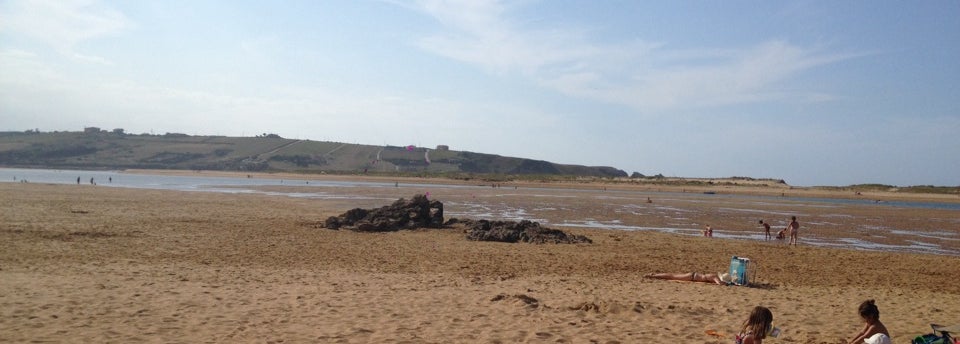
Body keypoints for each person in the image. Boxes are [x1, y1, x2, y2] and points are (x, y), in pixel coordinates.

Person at [644, 272, 730, 285]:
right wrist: (725, 283)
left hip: (693, 276)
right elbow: (719, 282)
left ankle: (654, 275)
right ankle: (653, 276)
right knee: (672, 276)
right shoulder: (714, 276)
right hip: (692, 276)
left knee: (672, 276)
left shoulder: (713, 275)